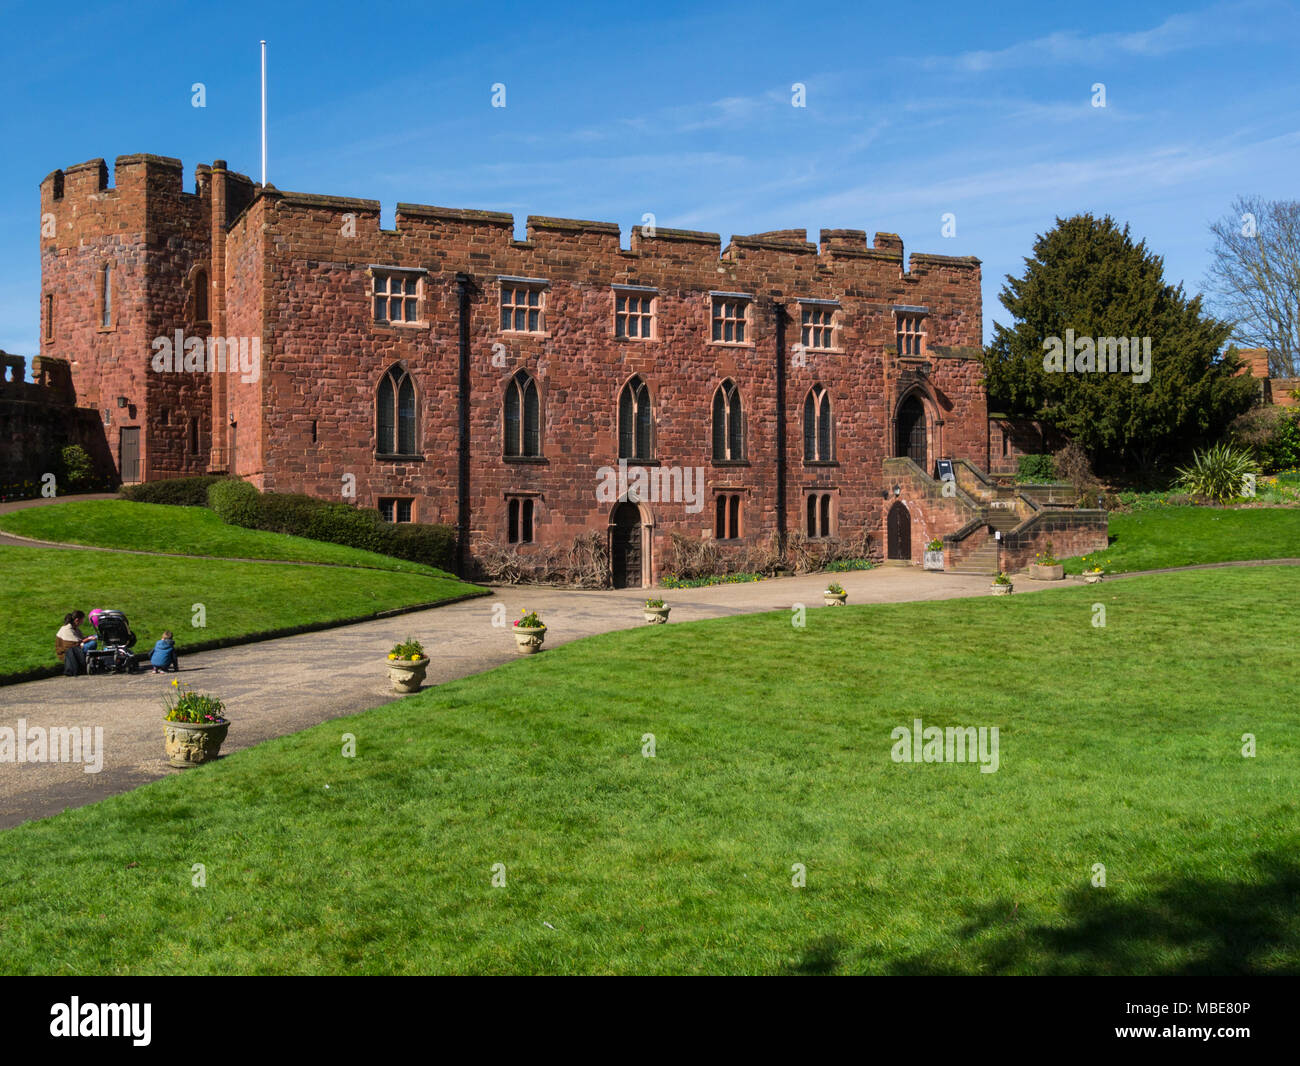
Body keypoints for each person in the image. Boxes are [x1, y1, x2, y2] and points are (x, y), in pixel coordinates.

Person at [55, 611, 95, 676]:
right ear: (77, 620)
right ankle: (85, 661)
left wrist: (89, 637)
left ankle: (88, 660)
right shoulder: (67, 629)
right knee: (92, 644)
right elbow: (73, 644)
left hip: (74, 649)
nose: (82, 622)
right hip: (67, 653)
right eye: (82, 620)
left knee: (92, 640)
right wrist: (88, 639)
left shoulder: (74, 628)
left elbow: (80, 639)